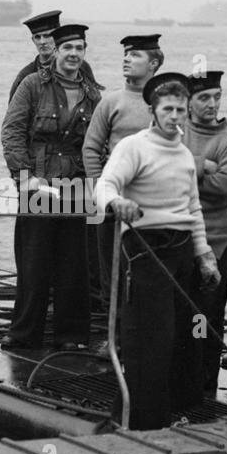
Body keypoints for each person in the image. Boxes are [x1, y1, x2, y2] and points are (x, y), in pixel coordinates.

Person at [96, 73, 220, 429]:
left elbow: (193, 208)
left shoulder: (183, 155)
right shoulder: (133, 147)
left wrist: (205, 255)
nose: (175, 116)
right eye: (168, 109)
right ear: (153, 110)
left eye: (181, 109)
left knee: (186, 335)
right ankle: (139, 420)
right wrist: (117, 202)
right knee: (150, 338)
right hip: (145, 250)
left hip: (182, 253)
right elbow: (104, 185)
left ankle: (178, 412)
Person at [0, 22, 101, 350]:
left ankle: (71, 336)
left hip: (76, 183)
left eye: (79, 48)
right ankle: (24, 334)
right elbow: (12, 132)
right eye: (67, 48)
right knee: (34, 263)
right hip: (39, 183)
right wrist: (24, 178)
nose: (73, 54)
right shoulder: (32, 84)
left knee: (74, 264)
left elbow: (97, 143)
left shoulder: (92, 93)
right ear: (55, 51)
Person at [83, 34, 164, 302]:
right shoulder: (110, 102)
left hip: (151, 203)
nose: (127, 59)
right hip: (113, 201)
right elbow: (91, 148)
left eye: (136, 55)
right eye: (125, 55)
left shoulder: (164, 105)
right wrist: (101, 192)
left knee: (148, 273)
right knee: (112, 273)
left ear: (153, 64)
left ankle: (141, 340)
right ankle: (114, 338)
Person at [183, 70, 227, 392]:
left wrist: (186, 171)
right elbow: (160, 175)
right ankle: (180, 376)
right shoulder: (176, 132)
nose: (212, 104)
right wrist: (203, 165)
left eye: (216, 97)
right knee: (181, 311)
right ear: (189, 102)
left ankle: (204, 381)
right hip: (180, 238)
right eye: (203, 97)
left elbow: (223, 188)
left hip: (217, 241)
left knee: (206, 316)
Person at [8, 10, 99, 100]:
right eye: (37, 37)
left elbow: (94, 100)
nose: (42, 42)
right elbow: (14, 111)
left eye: (47, 36)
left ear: (58, 36)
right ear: (33, 40)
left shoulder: (82, 67)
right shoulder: (26, 74)